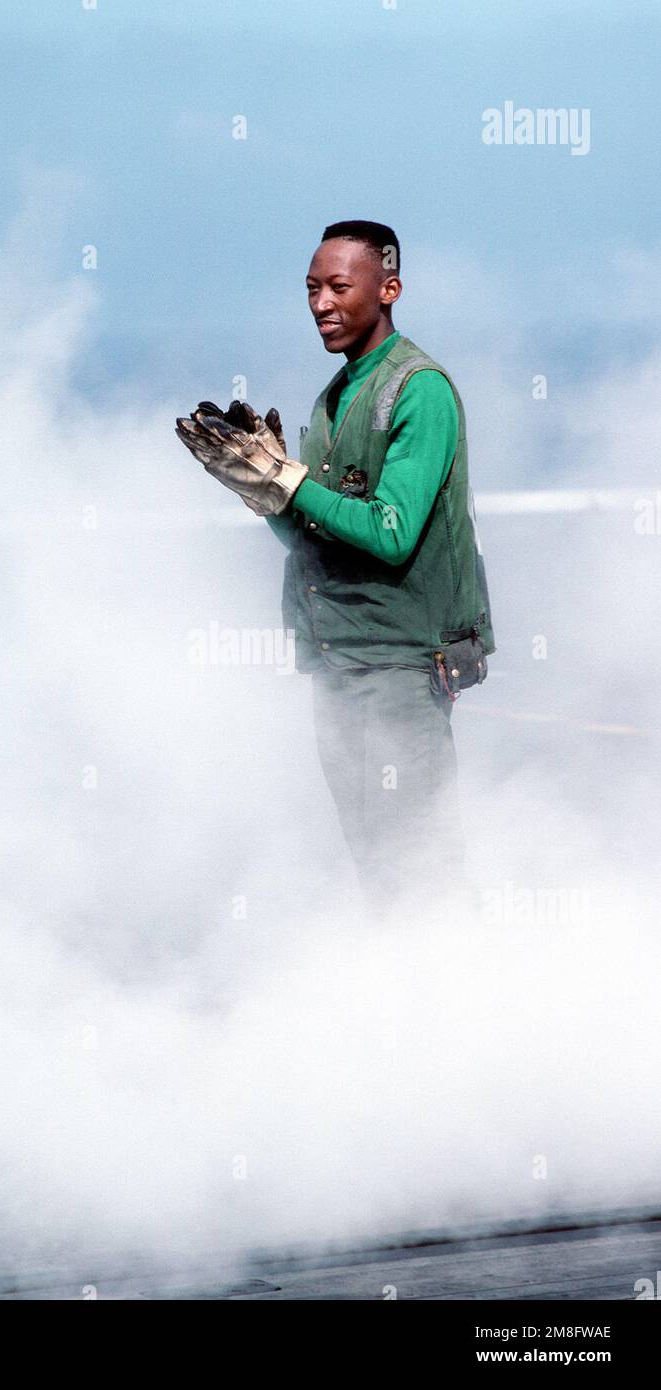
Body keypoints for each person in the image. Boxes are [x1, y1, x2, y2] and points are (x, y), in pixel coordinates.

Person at [176, 220, 495, 919]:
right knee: (377, 863)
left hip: (401, 672)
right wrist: (262, 494)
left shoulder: (420, 390)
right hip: (338, 669)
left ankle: (480, 1003)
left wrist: (287, 481)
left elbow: (388, 531)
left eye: (338, 287)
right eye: (311, 289)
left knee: (423, 861)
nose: (320, 303)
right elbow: (318, 543)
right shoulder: (334, 395)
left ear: (388, 290)